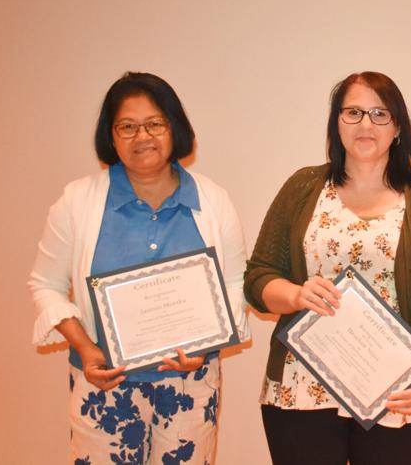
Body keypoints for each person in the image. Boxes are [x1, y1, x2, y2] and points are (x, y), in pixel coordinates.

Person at [244, 71, 411, 465]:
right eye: (353, 112)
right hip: (303, 388)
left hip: (398, 391)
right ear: (337, 122)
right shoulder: (302, 188)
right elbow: (258, 277)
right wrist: (296, 295)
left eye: (380, 114)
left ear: (398, 127)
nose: (366, 124)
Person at [29, 72, 250, 464]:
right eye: (127, 127)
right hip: (104, 387)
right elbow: (45, 284)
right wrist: (84, 346)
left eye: (154, 124)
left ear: (174, 128)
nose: (141, 137)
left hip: (189, 386)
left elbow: (235, 282)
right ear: (110, 136)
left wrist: (205, 346)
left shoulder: (213, 201)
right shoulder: (77, 201)